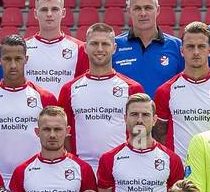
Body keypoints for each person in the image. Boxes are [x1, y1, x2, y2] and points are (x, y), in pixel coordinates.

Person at [0, 34, 60, 183]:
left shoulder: (46, 98)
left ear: (26, 59)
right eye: (7, 59)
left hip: (36, 177)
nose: (13, 65)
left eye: (18, 59)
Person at [57, 22, 145, 165]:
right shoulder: (69, 89)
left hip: (121, 166)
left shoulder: (132, 88)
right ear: (85, 47)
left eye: (105, 44)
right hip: (82, 167)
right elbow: (63, 133)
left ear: (114, 48)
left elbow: (140, 130)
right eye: (94, 44)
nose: (99, 49)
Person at [154, 21, 210, 154]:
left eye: (201, 46)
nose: (196, 52)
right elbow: (160, 134)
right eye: (190, 47)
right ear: (182, 51)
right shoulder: (166, 91)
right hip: (181, 165)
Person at [113, 0, 184, 98]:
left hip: (164, 110)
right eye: (137, 8)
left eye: (148, 8)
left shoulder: (177, 46)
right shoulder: (114, 46)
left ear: (158, 10)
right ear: (129, 11)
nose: (143, 13)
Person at [25, 0, 88, 95]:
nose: (49, 14)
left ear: (63, 13)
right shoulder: (22, 47)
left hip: (65, 106)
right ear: (35, 13)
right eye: (44, 9)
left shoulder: (80, 48)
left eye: (54, 9)